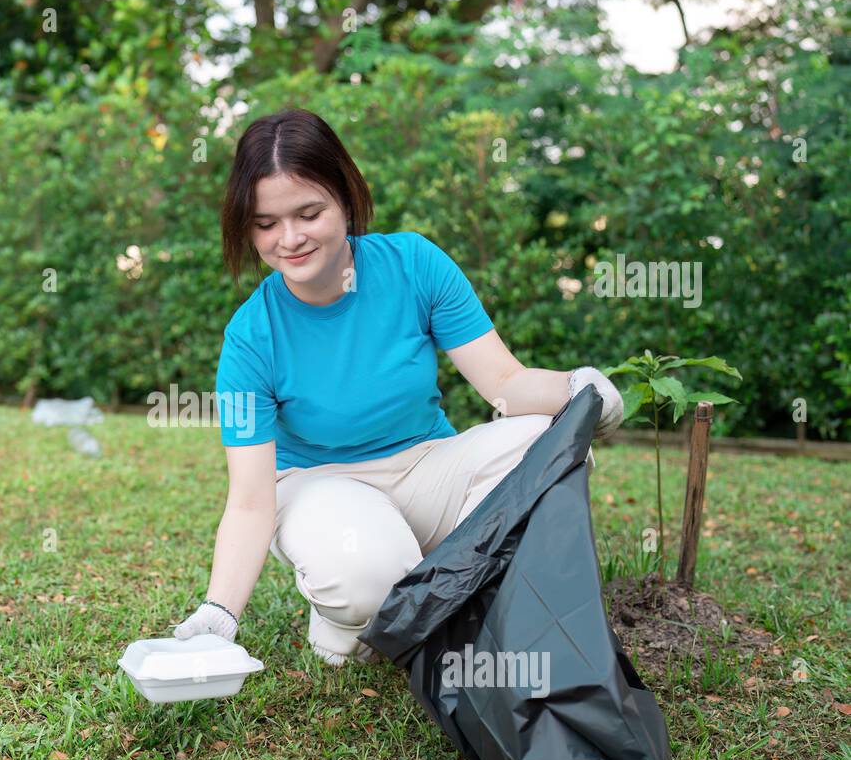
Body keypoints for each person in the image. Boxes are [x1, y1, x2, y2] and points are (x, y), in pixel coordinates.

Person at [172, 109, 624, 667]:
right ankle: (354, 606)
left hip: (427, 466)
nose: (288, 239)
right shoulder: (250, 336)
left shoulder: (414, 264)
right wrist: (219, 614)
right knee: (369, 579)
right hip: (320, 487)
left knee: (548, 446)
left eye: (308, 213)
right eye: (265, 223)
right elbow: (249, 499)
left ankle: (454, 587)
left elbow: (505, 384)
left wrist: (580, 388)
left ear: (345, 197)